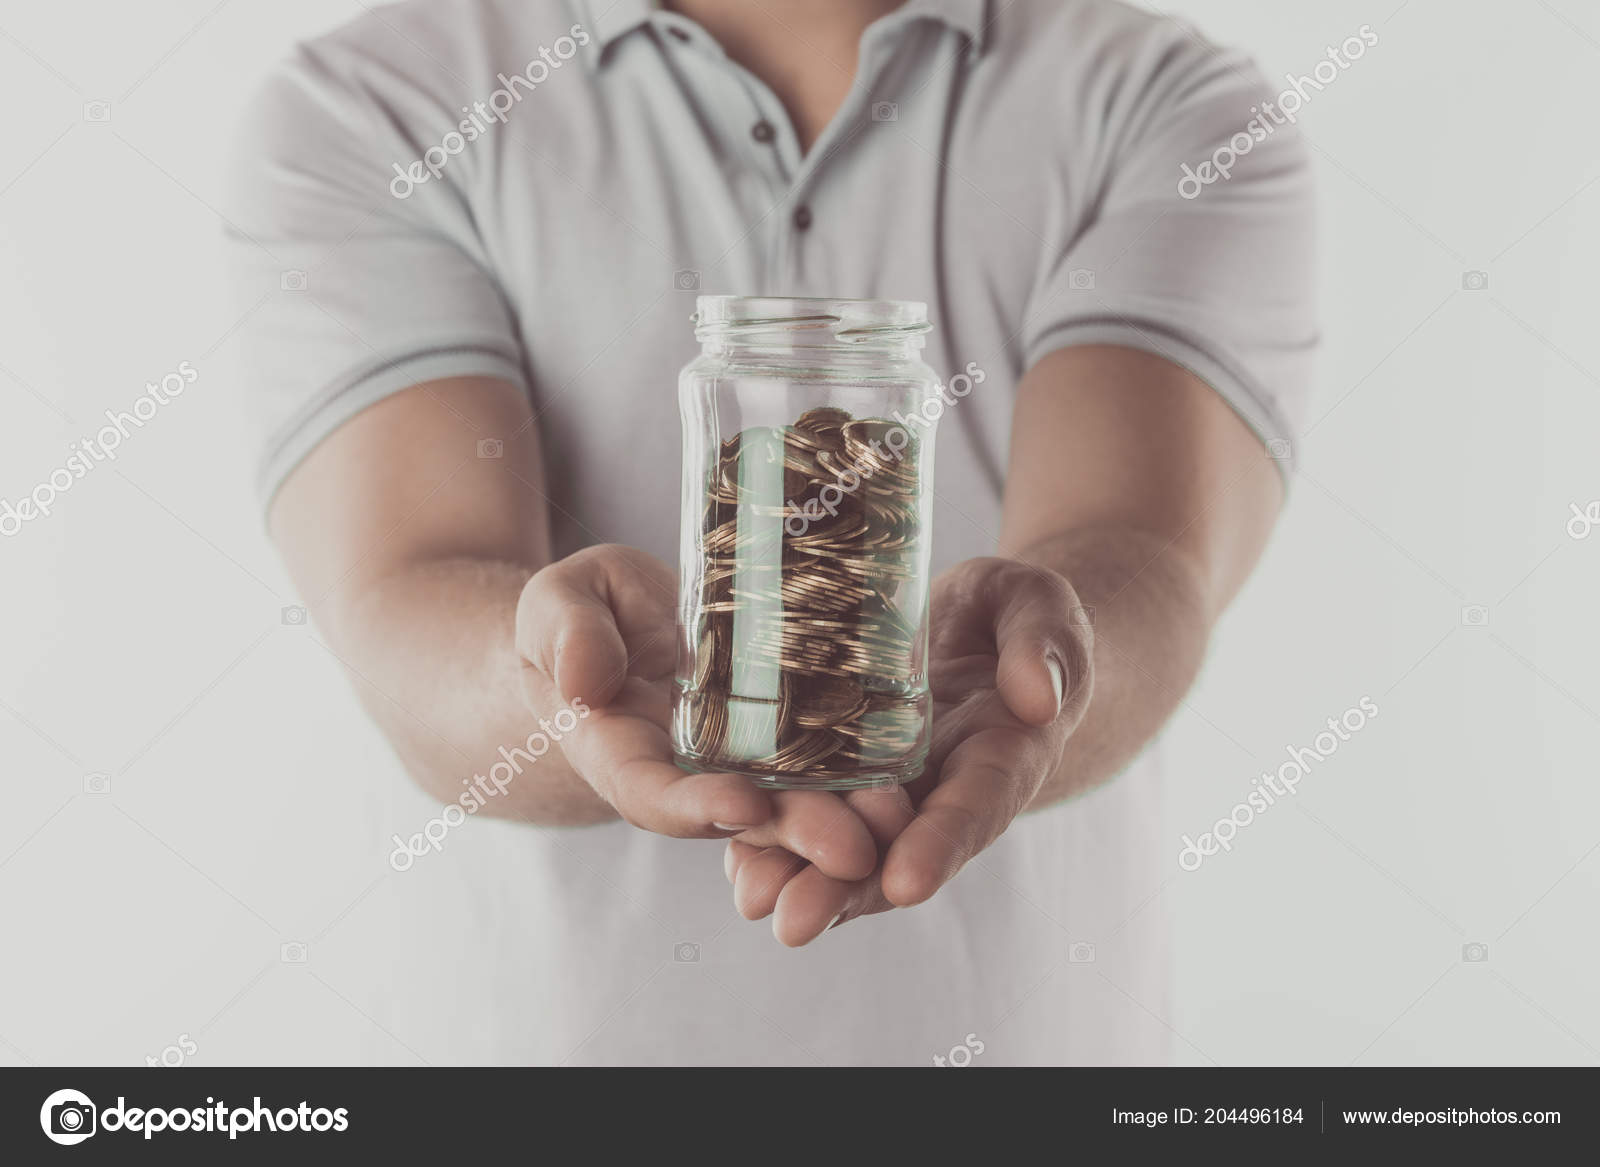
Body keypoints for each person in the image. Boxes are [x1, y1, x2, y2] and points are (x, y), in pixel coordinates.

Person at [223, 0, 1315, 1064]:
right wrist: (560, 682)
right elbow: (404, 595)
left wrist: (1049, 666)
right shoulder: (377, 104)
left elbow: (1139, 554)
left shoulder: (1167, 102)